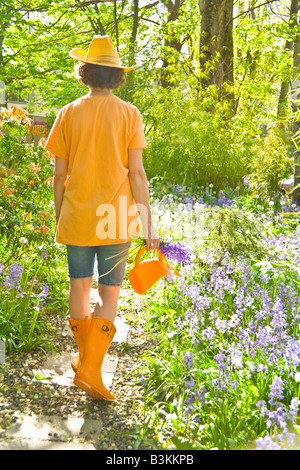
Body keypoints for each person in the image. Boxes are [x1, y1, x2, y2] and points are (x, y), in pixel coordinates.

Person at [45, 35, 160, 401]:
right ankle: (92, 369)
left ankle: (84, 364)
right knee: (109, 292)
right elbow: (137, 175)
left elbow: (59, 176)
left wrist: (60, 213)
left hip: (77, 214)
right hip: (115, 218)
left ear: (85, 72)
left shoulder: (68, 113)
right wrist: (148, 224)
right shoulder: (129, 114)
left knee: (78, 287)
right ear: (116, 77)